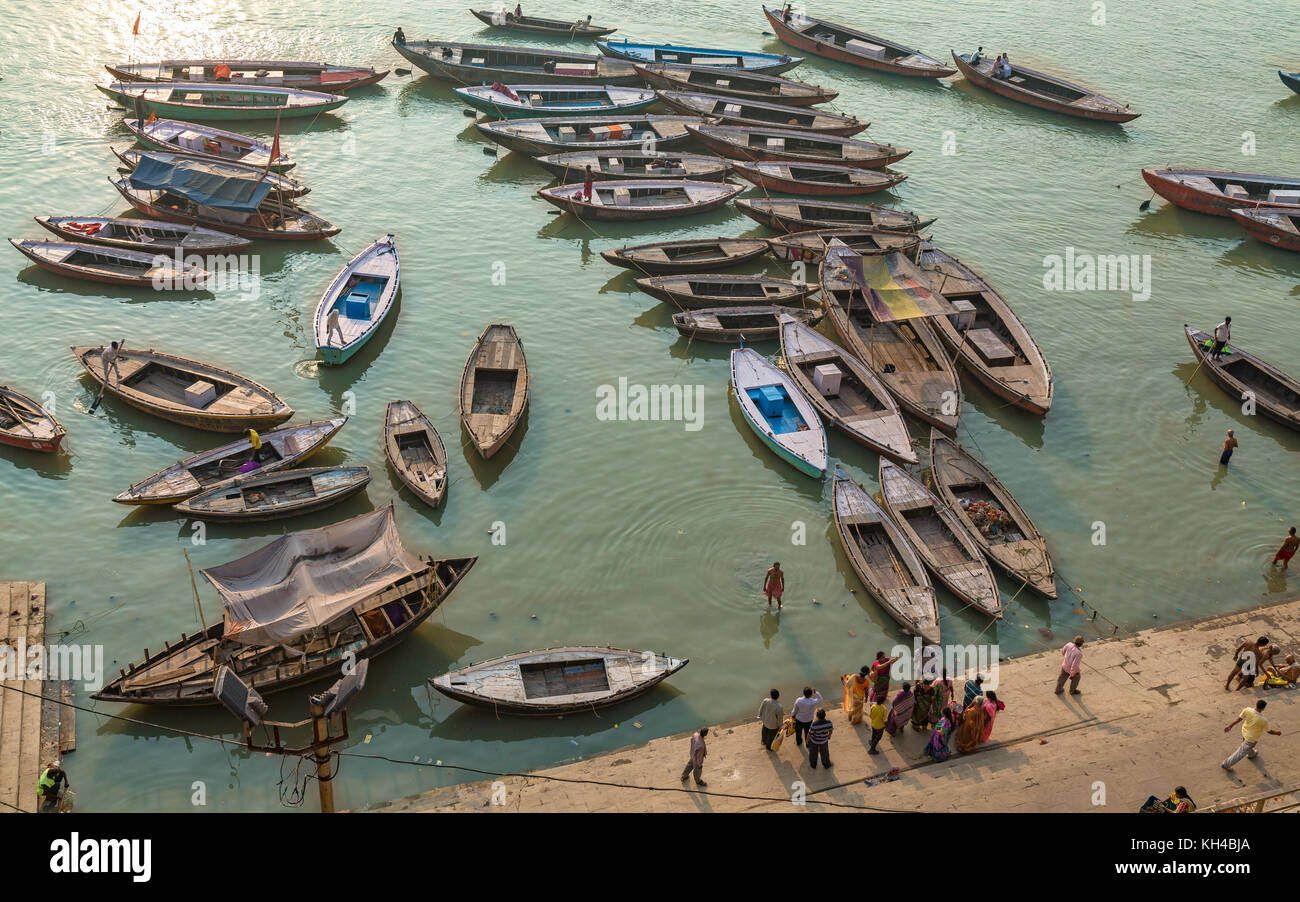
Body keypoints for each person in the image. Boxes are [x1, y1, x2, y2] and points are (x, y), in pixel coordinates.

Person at [1222, 699, 1280, 770]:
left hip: (1244, 732)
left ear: (1256, 704)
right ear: (1263, 708)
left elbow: (1238, 719)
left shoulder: (1247, 710)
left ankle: (1251, 754)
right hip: (1251, 739)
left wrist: (1230, 726)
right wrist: (1277, 733)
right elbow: (1269, 731)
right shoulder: (1263, 720)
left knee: (1246, 747)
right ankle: (1226, 764)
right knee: (1240, 752)